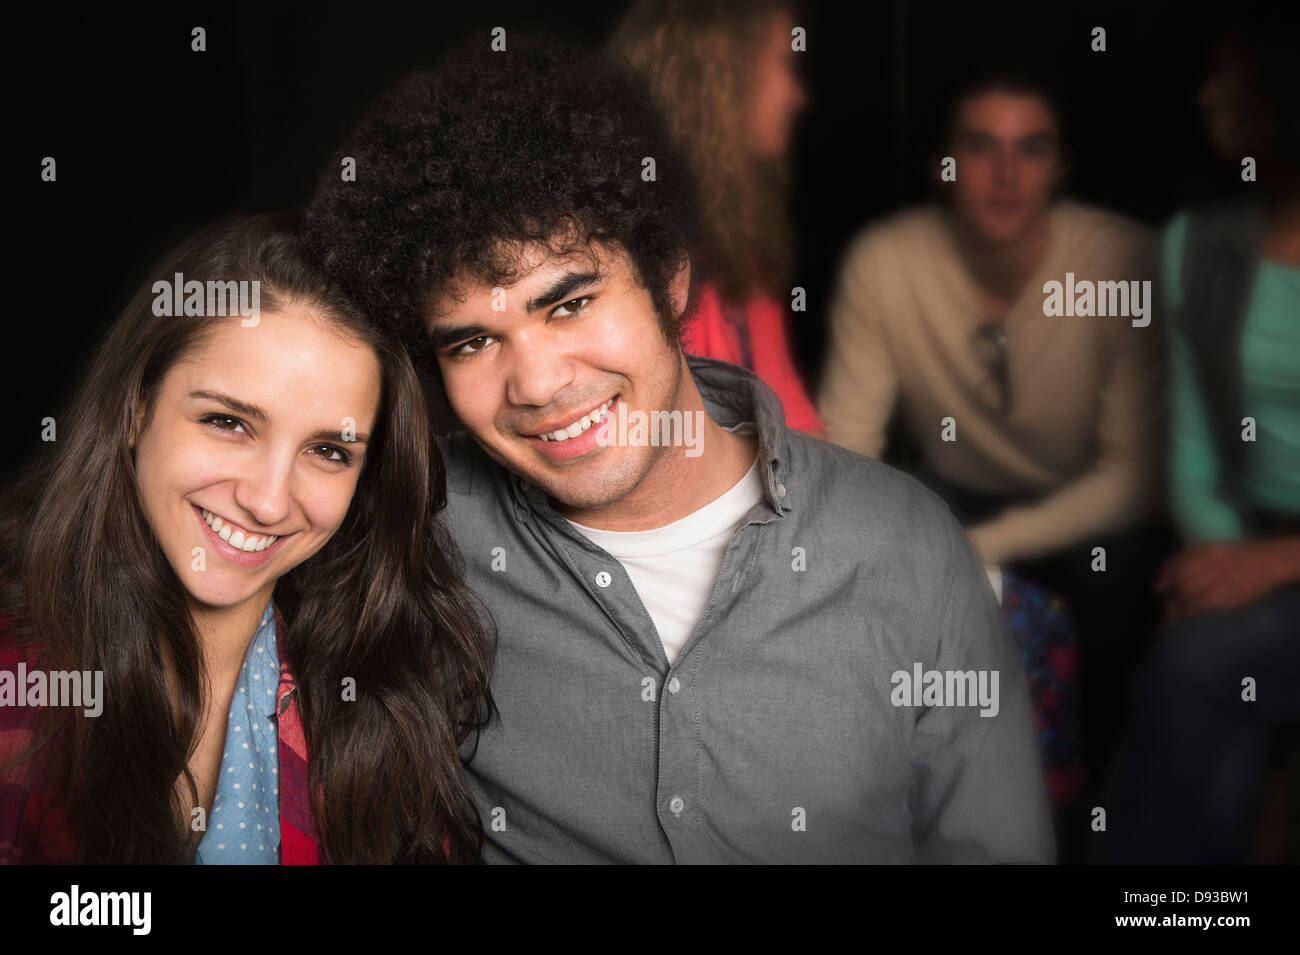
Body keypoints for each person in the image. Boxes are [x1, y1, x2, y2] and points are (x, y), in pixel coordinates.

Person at [306, 37, 1053, 863]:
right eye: (474, 342)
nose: (538, 383)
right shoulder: (424, 539)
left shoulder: (902, 542)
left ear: (670, 282)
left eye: (570, 303)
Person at [0, 214, 494, 864]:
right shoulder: (22, 688)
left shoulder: (382, 697)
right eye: (228, 421)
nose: (267, 498)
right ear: (135, 411)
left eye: (327, 450)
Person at [818, 61, 1170, 782]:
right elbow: (849, 447)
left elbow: (1135, 475)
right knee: (871, 561)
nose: (1006, 174)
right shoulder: (885, 260)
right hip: (956, 487)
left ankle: (1095, 803)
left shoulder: (1120, 258)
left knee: (1121, 576)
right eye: (980, 147)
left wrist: (980, 546)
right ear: (940, 165)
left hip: (1095, 507)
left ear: (1061, 167)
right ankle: (912, 792)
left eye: (1032, 149)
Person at [1098, 14, 1300, 863]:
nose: (1205, 95)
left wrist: (1275, 566)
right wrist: (1227, 565)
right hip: (1252, 544)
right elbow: (1193, 451)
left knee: (1196, 669)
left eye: (1230, 73)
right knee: (1190, 646)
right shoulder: (1199, 244)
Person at [607, 0, 824, 436]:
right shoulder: (626, 253)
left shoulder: (742, 239)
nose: (799, 97)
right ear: (722, 81)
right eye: (784, 65)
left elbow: (797, 423)